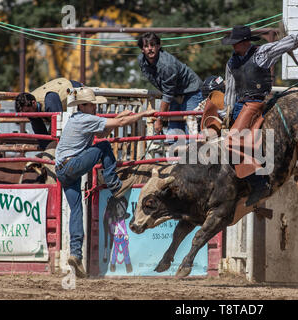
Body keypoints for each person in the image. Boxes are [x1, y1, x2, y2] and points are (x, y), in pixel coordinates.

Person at [55, 87, 154, 278]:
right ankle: (114, 184)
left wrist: (118, 116)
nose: (94, 107)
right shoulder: (85, 118)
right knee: (104, 147)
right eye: (91, 104)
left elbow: (101, 132)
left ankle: (76, 253)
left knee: (76, 210)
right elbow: (116, 127)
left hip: (62, 170)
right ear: (82, 106)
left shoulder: (78, 119)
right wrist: (143, 114)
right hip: (71, 166)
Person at [221, 22, 298, 206]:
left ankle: (260, 183)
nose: (233, 45)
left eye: (236, 42)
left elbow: (286, 44)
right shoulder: (232, 62)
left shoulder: (261, 53)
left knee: (233, 141)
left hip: (255, 102)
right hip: (239, 105)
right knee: (224, 144)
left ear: (245, 42)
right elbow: (230, 90)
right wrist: (227, 113)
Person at [137, 32, 204, 140]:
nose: (150, 49)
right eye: (146, 46)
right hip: (175, 94)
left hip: (191, 92)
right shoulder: (141, 60)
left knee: (191, 132)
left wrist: (159, 119)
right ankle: (175, 152)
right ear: (142, 49)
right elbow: (167, 91)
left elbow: (167, 94)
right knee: (174, 133)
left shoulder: (167, 65)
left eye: (153, 45)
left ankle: (192, 153)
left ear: (158, 46)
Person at [15, 78, 83, 150]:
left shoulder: (49, 102)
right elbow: (41, 134)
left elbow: (59, 126)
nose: (27, 115)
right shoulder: (30, 105)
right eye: (25, 113)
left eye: (28, 111)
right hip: (59, 93)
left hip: (73, 89)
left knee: (61, 129)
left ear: (34, 103)